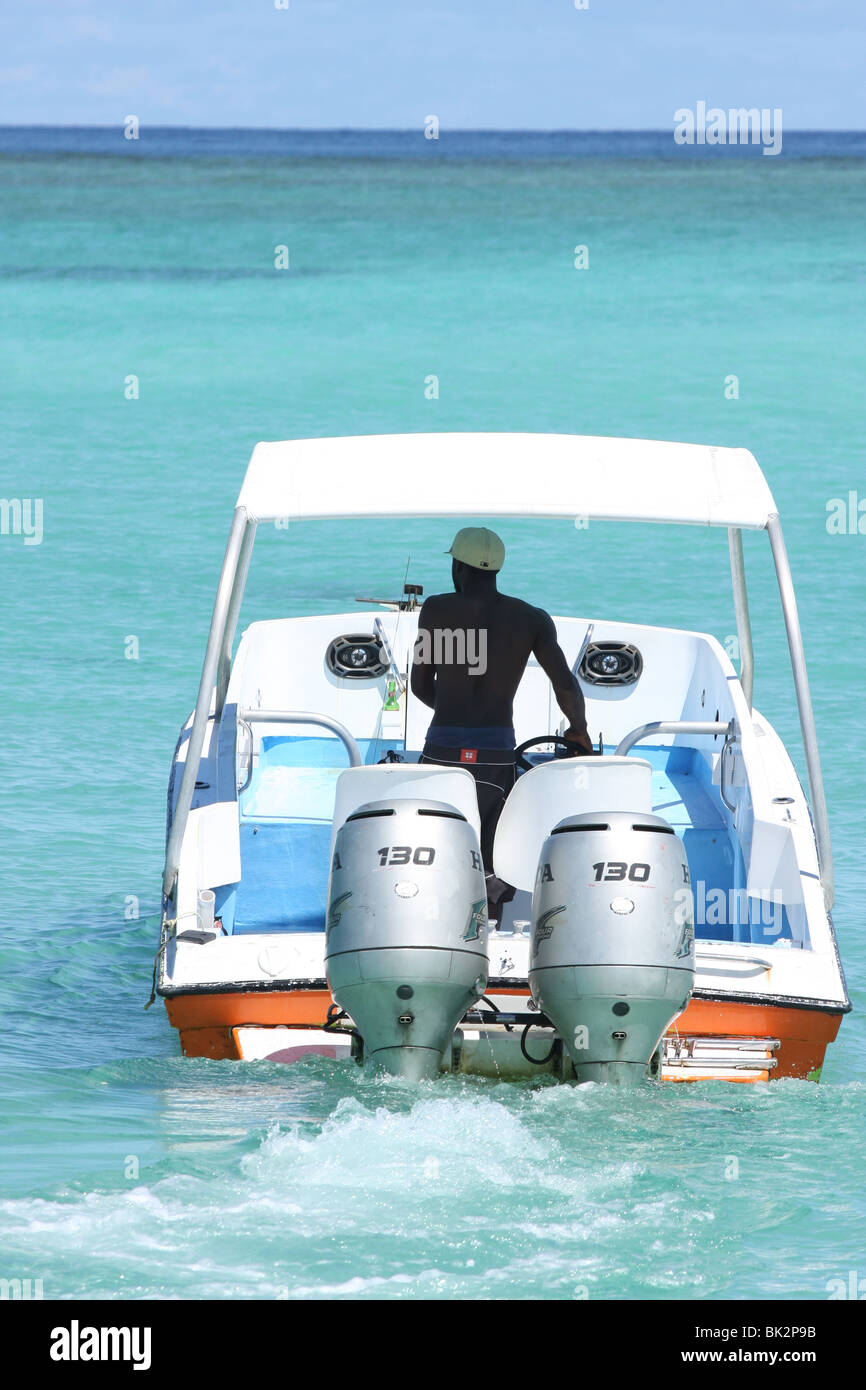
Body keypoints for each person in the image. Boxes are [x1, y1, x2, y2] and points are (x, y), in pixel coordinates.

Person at [410, 526, 594, 921]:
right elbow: (565, 684)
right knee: (492, 858)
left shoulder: (436, 610)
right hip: (495, 753)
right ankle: (487, 935)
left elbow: (420, 685)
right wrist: (578, 731)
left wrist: (452, 712)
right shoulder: (531, 619)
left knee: (435, 839)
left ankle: (431, 929)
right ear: (496, 570)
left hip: (441, 746)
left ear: (459, 567)